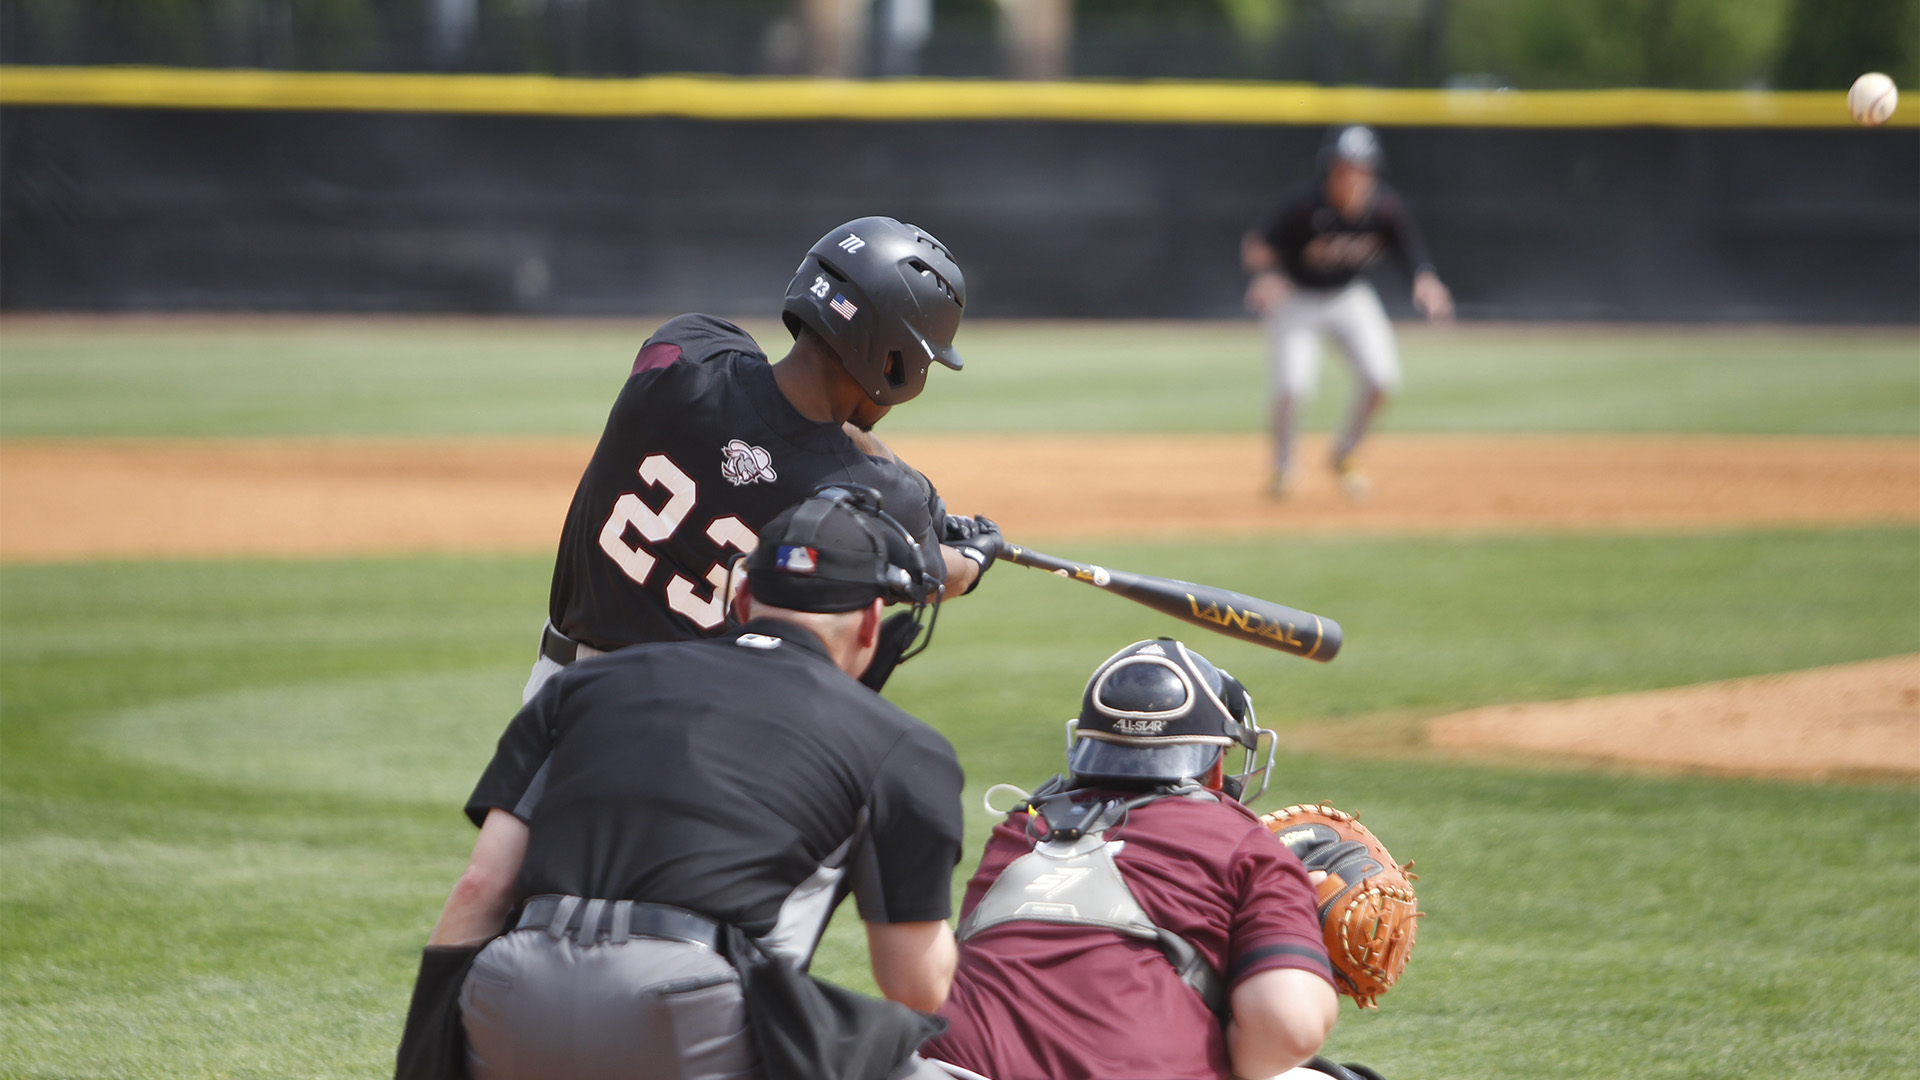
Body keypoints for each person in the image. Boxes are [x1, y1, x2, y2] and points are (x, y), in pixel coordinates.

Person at [397, 485, 967, 1080]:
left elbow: (479, 888)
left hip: (509, 998)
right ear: (873, 622)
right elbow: (916, 984)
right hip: (685, 1012)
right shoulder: (901, 744)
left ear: (741, 598)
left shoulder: (585, 686)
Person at [527, 215, 1001, 702]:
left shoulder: (687, 352)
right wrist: (976, 552)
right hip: (683, 723)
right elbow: (934, 577)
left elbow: (772, 418)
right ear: (893, 362)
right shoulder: (868, 493)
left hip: (558, 690)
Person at [919, 638, 1347, 1080]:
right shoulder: (1245, 844)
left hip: (949, 1069)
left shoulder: (1019, 831)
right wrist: (1292, 936)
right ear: (1214, 766)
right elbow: (1288, 1028)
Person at [1242, 124, 1454, 501]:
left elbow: (1411, 251)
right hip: (1298, 299)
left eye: (1362, 168)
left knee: (1382, 380)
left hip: (1348, 297)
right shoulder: (1303, 206)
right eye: (1346, 167)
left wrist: (1426, 281)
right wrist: (1269, 275)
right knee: (1293, 387)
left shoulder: (1384, 208)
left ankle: (1345, 453)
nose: (1354, 175)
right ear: (1331, 169)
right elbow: (1256, 245)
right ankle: (1283, 466)